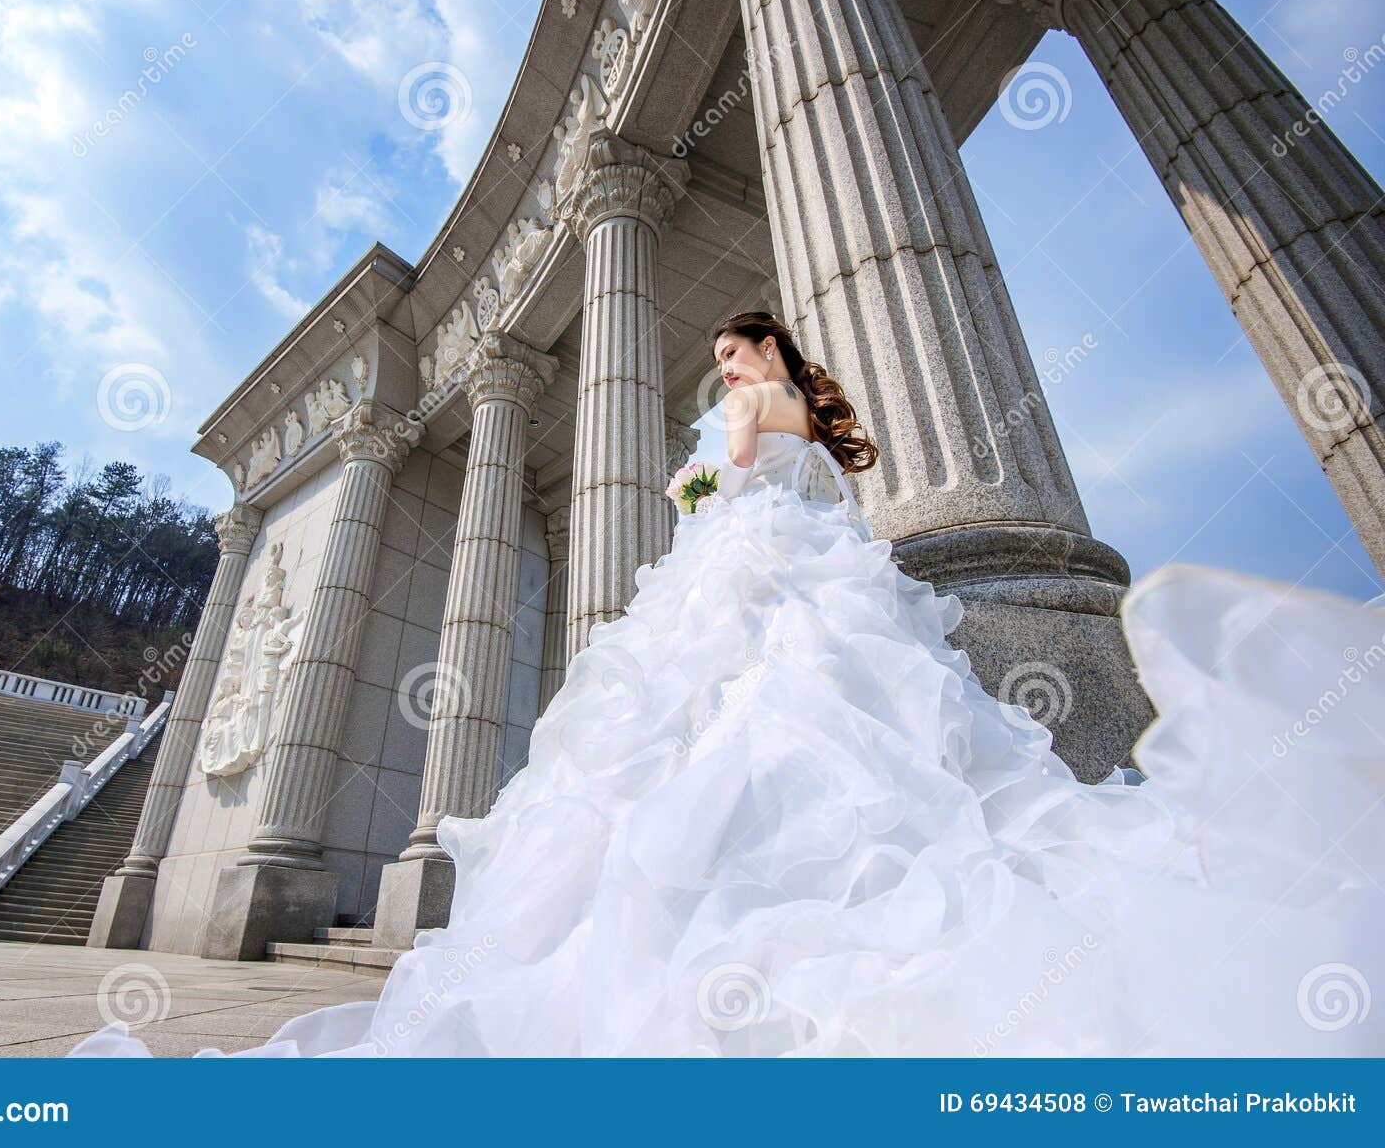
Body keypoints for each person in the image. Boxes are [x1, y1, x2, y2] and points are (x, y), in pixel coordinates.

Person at [69, 311, 1385, 1057]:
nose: (721, 371)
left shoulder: (754, 420)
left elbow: (720, 488)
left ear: (755, 359)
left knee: (719, 726)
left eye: (728, 356)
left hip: (749, 561)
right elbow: (826, 496)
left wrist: (692, 483)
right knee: (849, 726)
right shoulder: (830, 417)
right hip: (829, 569)